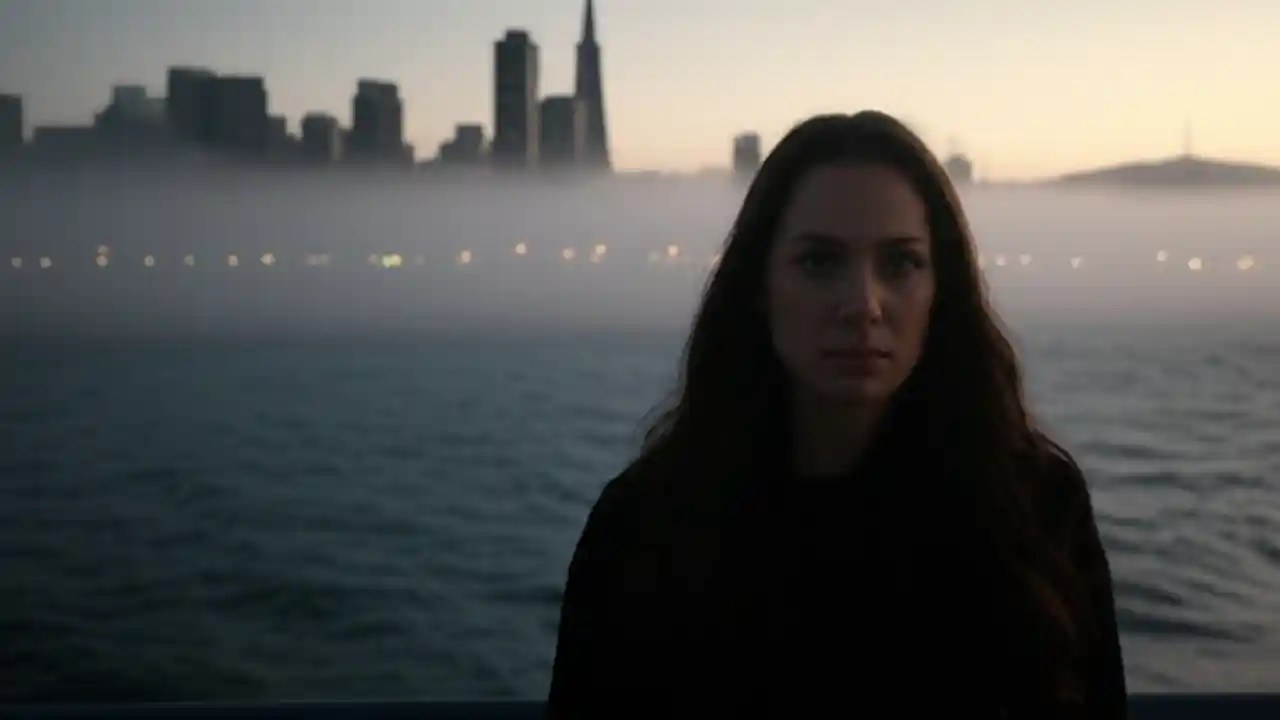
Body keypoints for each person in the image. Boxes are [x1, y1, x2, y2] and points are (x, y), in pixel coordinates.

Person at [546, 111, 1127, 718]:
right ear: (759, 287)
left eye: (900, 263)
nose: (863, 305)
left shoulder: (1037, 510)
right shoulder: (644, 529)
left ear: (941, 291)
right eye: (820, 263)